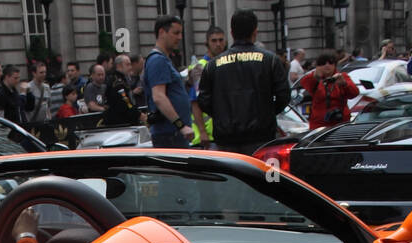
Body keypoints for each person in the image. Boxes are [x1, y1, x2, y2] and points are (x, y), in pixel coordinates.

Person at [198, 10, 289, 156]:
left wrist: (223, 115)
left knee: (231, 177)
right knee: (268, 178)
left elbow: (203, 100)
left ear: (232, 33)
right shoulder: (270, 61)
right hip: (262, 137)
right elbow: (284, 96)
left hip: (226, 139)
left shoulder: (213, 65)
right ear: (255, 32)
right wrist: (266, 113)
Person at [143, 15, 197, 148]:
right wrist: (181, 126)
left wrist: (189, 83)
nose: (180, 37)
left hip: (172, 134)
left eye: (181, 33)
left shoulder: (164, 59)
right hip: (169, 135)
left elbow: (170, 93)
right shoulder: (158, 60)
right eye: (176, 33)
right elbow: (159, 97)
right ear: (162, 32)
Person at [298, 51, 360, 129]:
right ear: (318, 66)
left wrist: (344, 84)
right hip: (319, 124)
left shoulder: (342, 77)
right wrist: (316, 76)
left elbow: (354, 93)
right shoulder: (314, 78)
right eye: (323, 63)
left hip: (340, 121)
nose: (327, 66)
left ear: (335, 65)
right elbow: (304, 83)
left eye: (331, 63)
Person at [105, 54, 140, 126]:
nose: (130, 67)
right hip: (121, 123)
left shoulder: (123, 80)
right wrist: (138, 114)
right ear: (119, 66)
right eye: (127, 65)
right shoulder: (117, 82)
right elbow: (125, 102)